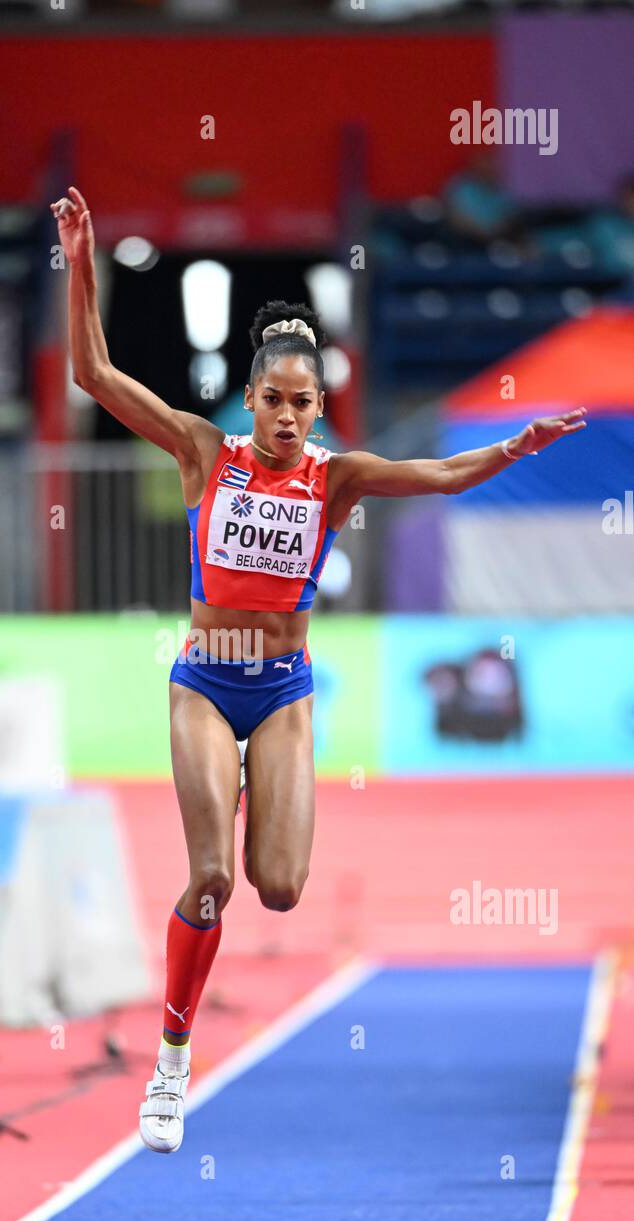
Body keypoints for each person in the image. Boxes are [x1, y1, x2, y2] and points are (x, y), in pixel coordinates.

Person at [51, 186, 587, 1154]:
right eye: (276, 401)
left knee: (282, 887)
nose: (292, 416)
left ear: (319, 403)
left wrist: (514, 445)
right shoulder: (203, 452)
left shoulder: (335, 477)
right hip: (207, 681)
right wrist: (82, 259)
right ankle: (170, 1068)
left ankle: (257, 791)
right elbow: (91, 372)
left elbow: (442, 476)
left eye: (306, 402)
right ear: (247, 399)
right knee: (211, 877)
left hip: (285, 694)